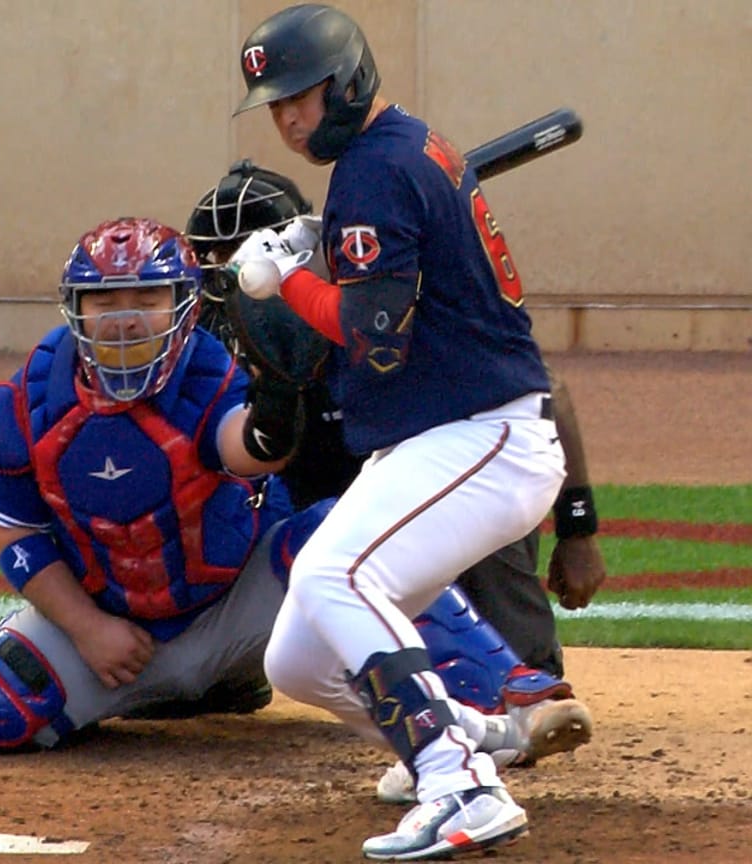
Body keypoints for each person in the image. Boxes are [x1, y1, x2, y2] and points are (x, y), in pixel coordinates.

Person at [0, 216, 584, 782]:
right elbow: (11, 531)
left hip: (242, 605)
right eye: (106, 301)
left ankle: (510, 693)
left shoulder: (206, 371)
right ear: (75, 309)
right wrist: (87, 629)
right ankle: (167, 691)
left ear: (183, 307)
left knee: (335, 540)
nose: (126, 317)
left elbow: (252, 447)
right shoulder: (27, 404)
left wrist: (278, 385)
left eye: (147, 296)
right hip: (113, 628)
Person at [227, 4, 577, 858]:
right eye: (275, 104)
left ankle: (456, 780)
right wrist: (327, 249)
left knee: (335, 571)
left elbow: (372, 333)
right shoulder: (401, 149)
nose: (287, 118)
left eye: (299, 97)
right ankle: (476, 727)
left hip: (485, 435)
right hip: (446, 437)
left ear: (345, 80)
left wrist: (288, 278)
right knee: (299, 660)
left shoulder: (376, 171)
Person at [187, 160, 605, 804]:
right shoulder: (224, 343)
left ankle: (518, 687)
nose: (230, 269)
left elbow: (547, 391)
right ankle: (468, 730)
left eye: (239, 248)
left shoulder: (386, 295)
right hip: (354, 517)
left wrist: (577, 525)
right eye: (217, 256)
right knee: (311, 585)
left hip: (458, 492)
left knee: (431, 527)